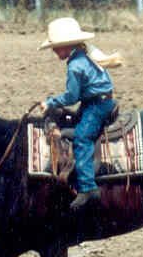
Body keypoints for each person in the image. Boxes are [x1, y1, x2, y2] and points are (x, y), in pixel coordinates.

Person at [38, 17, 124, 211]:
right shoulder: (85, 56)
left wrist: (50, 102)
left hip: (97, 105)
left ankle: (88, 188)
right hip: (97, 101)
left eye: (56, 47)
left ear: (67, 46)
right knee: (77, 127)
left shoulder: (75, 66)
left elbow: (71, 96)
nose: (54, 51)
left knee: (83, 139)